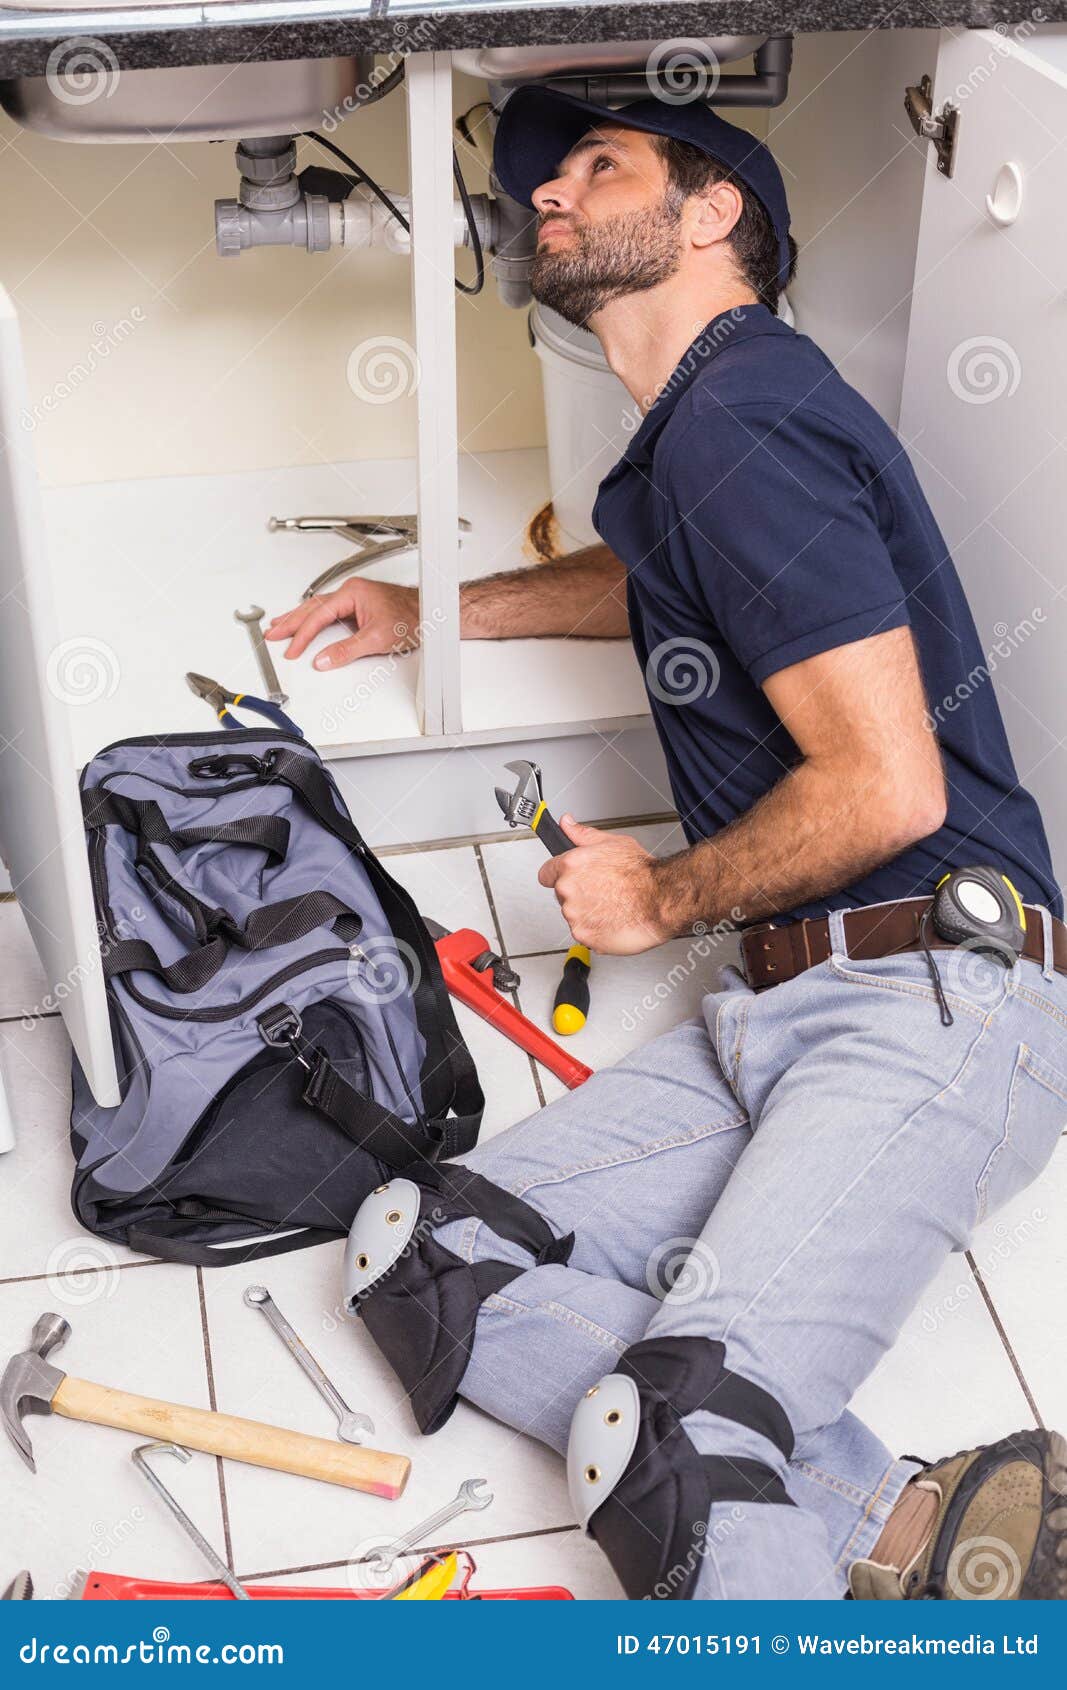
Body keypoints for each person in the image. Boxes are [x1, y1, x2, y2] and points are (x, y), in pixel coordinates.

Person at [268, 88, 1067, 1601]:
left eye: (598, 167)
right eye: (548, 177)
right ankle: (904, 1526)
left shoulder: (742, 414)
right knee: (424, 1252)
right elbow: (640, 583)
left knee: (676, 1442)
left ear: (710, 221)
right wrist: (427, 609)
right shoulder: (705, 437)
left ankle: (740, 1458)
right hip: (789, 1004)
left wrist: (657, 892)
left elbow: (888, 786)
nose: (551, 193)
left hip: (940, 1001)